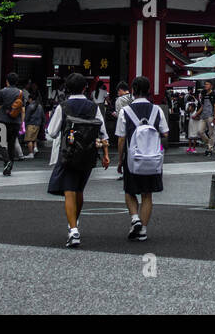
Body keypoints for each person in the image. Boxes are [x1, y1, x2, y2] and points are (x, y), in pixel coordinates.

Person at [45, 72, 109, 248]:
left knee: (69, 190)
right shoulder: (93, 107)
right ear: (84, 88)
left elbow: (51, 132)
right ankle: (74, 222)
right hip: (88, 154)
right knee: (79, 189)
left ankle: (73, 230)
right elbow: (103, 132)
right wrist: (105, 154)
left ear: (67, 88)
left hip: (69, 153)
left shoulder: (63, 107)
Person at [116, 75, 167, 242]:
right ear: (148, 91)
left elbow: (121, 138)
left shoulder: (125, 111)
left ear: (133, 91)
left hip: (133, 158)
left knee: (130, 191)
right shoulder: (157, 110)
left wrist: (119, 160)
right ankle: (143, 230)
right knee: (147, 194)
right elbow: (165, 132)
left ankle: (134, 218)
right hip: (152, 158)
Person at [0, 71, 27, 176]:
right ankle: (9, 167)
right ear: (16, 82)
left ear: (7, 81)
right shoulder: (20, 93)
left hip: (4, 121)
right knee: (12, 144)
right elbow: (23, 110)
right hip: (16, 123)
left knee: (0, 142)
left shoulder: (2, 92)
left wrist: (5, 105)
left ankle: (7, 161)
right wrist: (21, 123)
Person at [112, 81, 132, 179]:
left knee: (124, 150)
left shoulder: (119, 100)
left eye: (118, 91)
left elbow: (120, 115)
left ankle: (125, 173)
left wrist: (115, 114)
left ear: (120, 90)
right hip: (134, 127)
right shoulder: (133, 97)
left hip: (124, 127)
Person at [24, 90, 46, 158]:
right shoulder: (39, 106)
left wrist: (25, 123)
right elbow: (43, 116)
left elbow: (26, 117)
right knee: (34, 138)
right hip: (38, 125)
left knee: (29, 139)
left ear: (31, 99)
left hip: (31, 124)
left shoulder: (30, 106)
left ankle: (31, 153)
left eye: (28, 99)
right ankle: (35, 148)